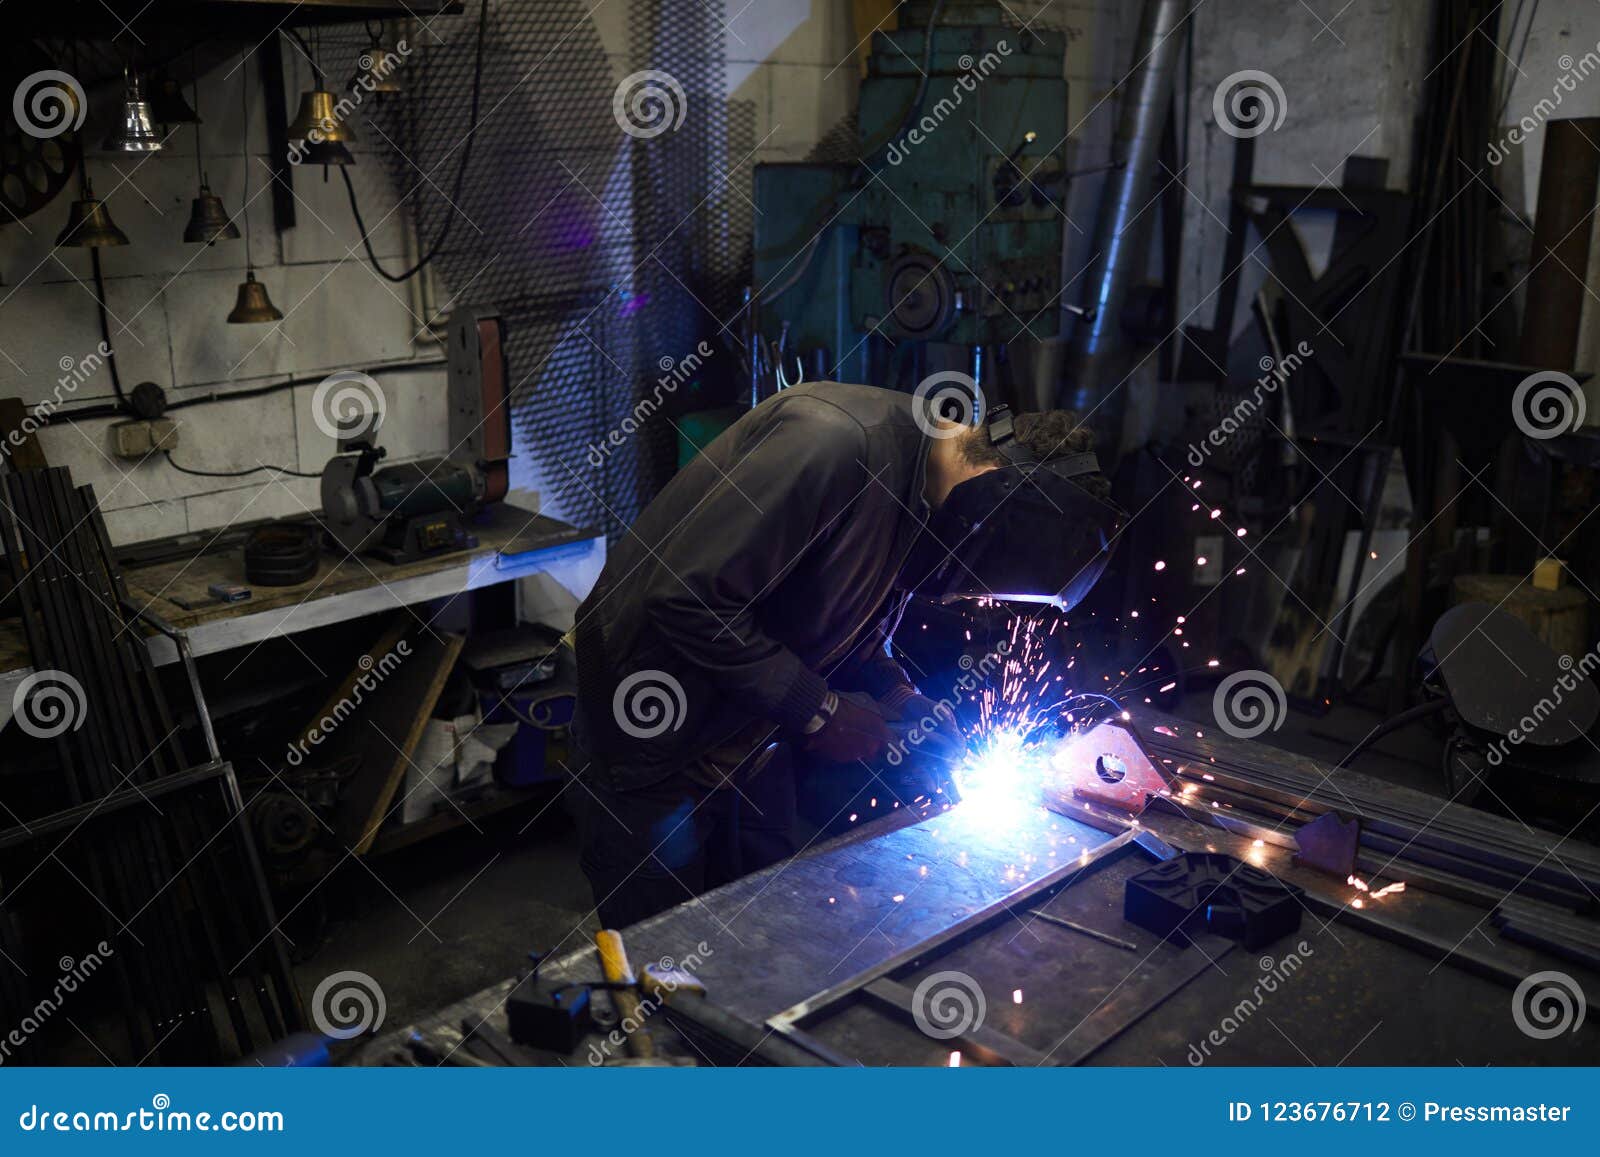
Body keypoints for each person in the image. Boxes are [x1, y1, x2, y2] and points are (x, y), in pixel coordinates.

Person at [567, 380, 1123, 927]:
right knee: (666, 957)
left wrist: (895, 692)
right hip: (657, 733)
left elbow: (839, 618)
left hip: (752, 736)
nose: (965, 595)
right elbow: (687, 596)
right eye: (983, 583)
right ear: (1000, 503)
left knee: (757, 934)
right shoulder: (833, 443)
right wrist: (820, 711)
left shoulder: (923, 499)